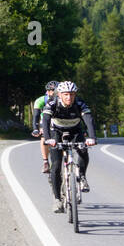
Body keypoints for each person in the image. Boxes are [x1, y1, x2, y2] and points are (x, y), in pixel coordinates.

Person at [41, 81, 96, 213]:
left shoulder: (79, 103)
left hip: (75, 131)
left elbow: (88, 120)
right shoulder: (52, 104)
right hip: (56, 132)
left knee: (83, 151)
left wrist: (92, 137)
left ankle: (81, 176)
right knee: (56, 165)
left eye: (71, 94)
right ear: (59, 94)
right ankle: (57, 199)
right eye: (65, 94)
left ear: (75, 94)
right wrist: (48, 139)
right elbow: (45, 120)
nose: (69, 98)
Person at [31, 80, 59, 174]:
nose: (54, 92)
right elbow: (36, 116)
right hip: (45, 120)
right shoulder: (41, 100)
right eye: (52, 90)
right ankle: (46, 162)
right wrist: (35, 129)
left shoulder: (62, 98)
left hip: (58, 120)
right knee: (43, 138)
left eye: (56, 90)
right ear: (47, 91)